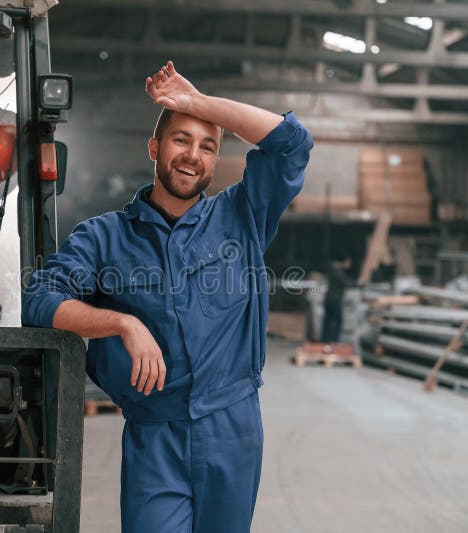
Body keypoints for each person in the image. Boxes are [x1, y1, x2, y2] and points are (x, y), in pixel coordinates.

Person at [22, 60, 313, 533]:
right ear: (155, 147)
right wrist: (122, 324)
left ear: (216, 161)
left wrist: (198, 104)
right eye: (181, 140)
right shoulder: (105, 237)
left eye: (207, 147)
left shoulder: (243, 215)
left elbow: (291, 143)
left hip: (232, 428)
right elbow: (40, 301)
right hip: (154, 433)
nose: (192, 156)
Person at [322, 258, 353, 343]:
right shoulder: (339, 272)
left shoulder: (332, 270)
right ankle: (334, 340)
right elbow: (346, 283)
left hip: (328, 299)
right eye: (349, 262)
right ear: (345, 262)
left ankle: (325, 340)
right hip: (335, 300)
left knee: (327, 321)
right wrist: (358, 283)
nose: (349, 265)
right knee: (338, 321)